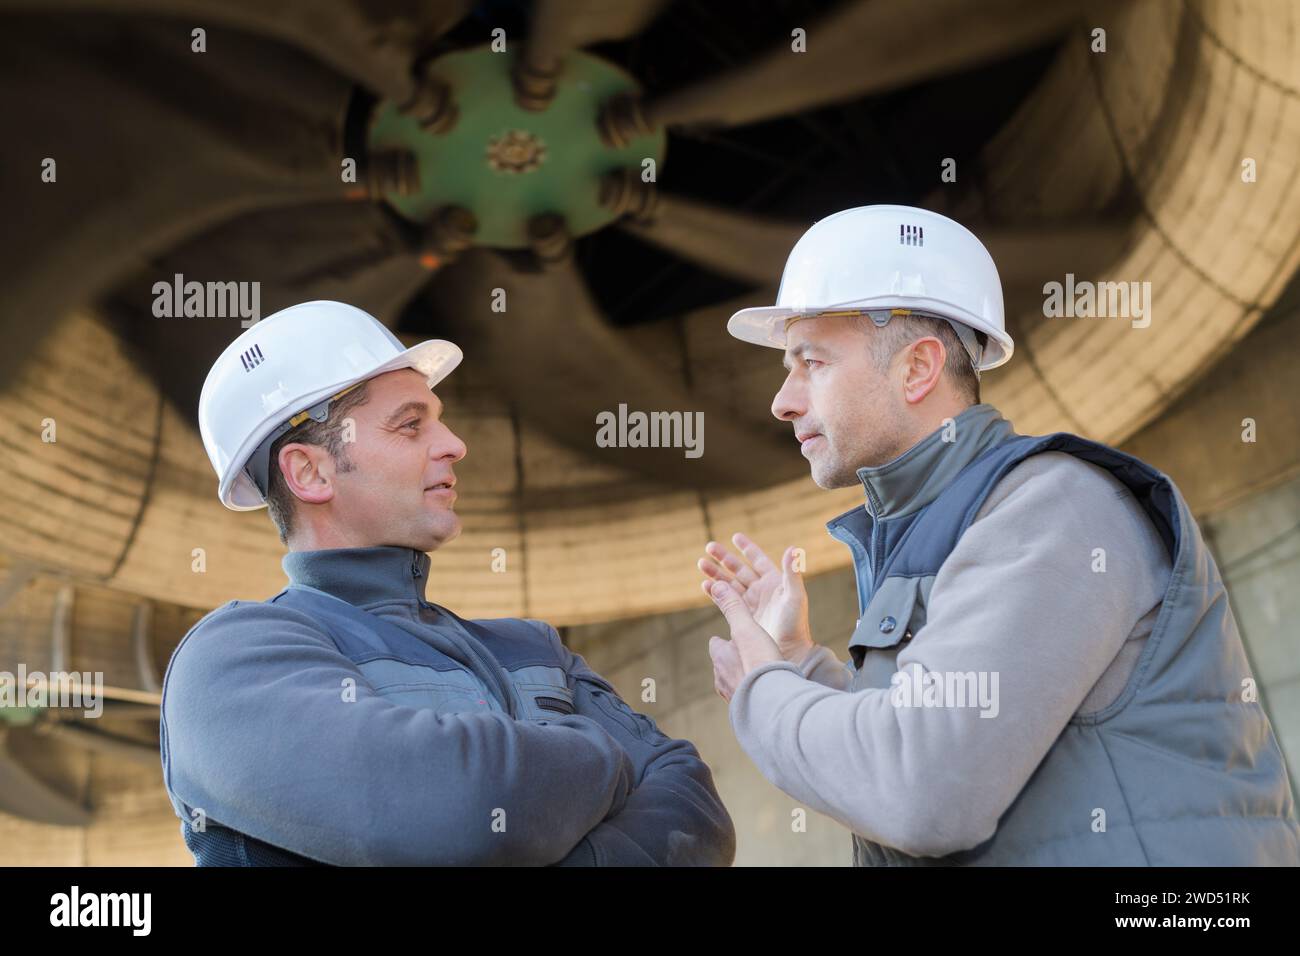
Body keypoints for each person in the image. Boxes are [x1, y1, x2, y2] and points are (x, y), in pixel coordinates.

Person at [698, 204, 1300, 865]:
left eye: (810, 362)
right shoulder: (946, 530)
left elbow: (927, 789)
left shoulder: (1054, 510)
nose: (782, 401)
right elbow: (924, 752)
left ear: (918, 369)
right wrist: (798, 665)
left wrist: (767, 691)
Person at [161, 300, 735, 866]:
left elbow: (696, 815)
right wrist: (607, 759)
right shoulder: (231, 659)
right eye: (411, 425)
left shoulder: (534, 647)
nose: (454, 444)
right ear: (311, 472)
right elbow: (453, 808)